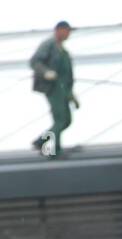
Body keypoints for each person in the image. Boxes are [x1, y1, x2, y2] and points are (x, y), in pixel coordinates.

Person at [29, 21, 78, 158]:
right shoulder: (49, 45)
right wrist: (46, 72)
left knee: (67, 120)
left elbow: (67, 76)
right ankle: (54, 150)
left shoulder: (64, 51)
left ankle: (42, 140)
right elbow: (35, 62)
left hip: (63, 89)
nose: (68, 34)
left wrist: (72, 96)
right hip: (53, 88)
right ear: (59, 30)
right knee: (60, 119)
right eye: (67, 30)